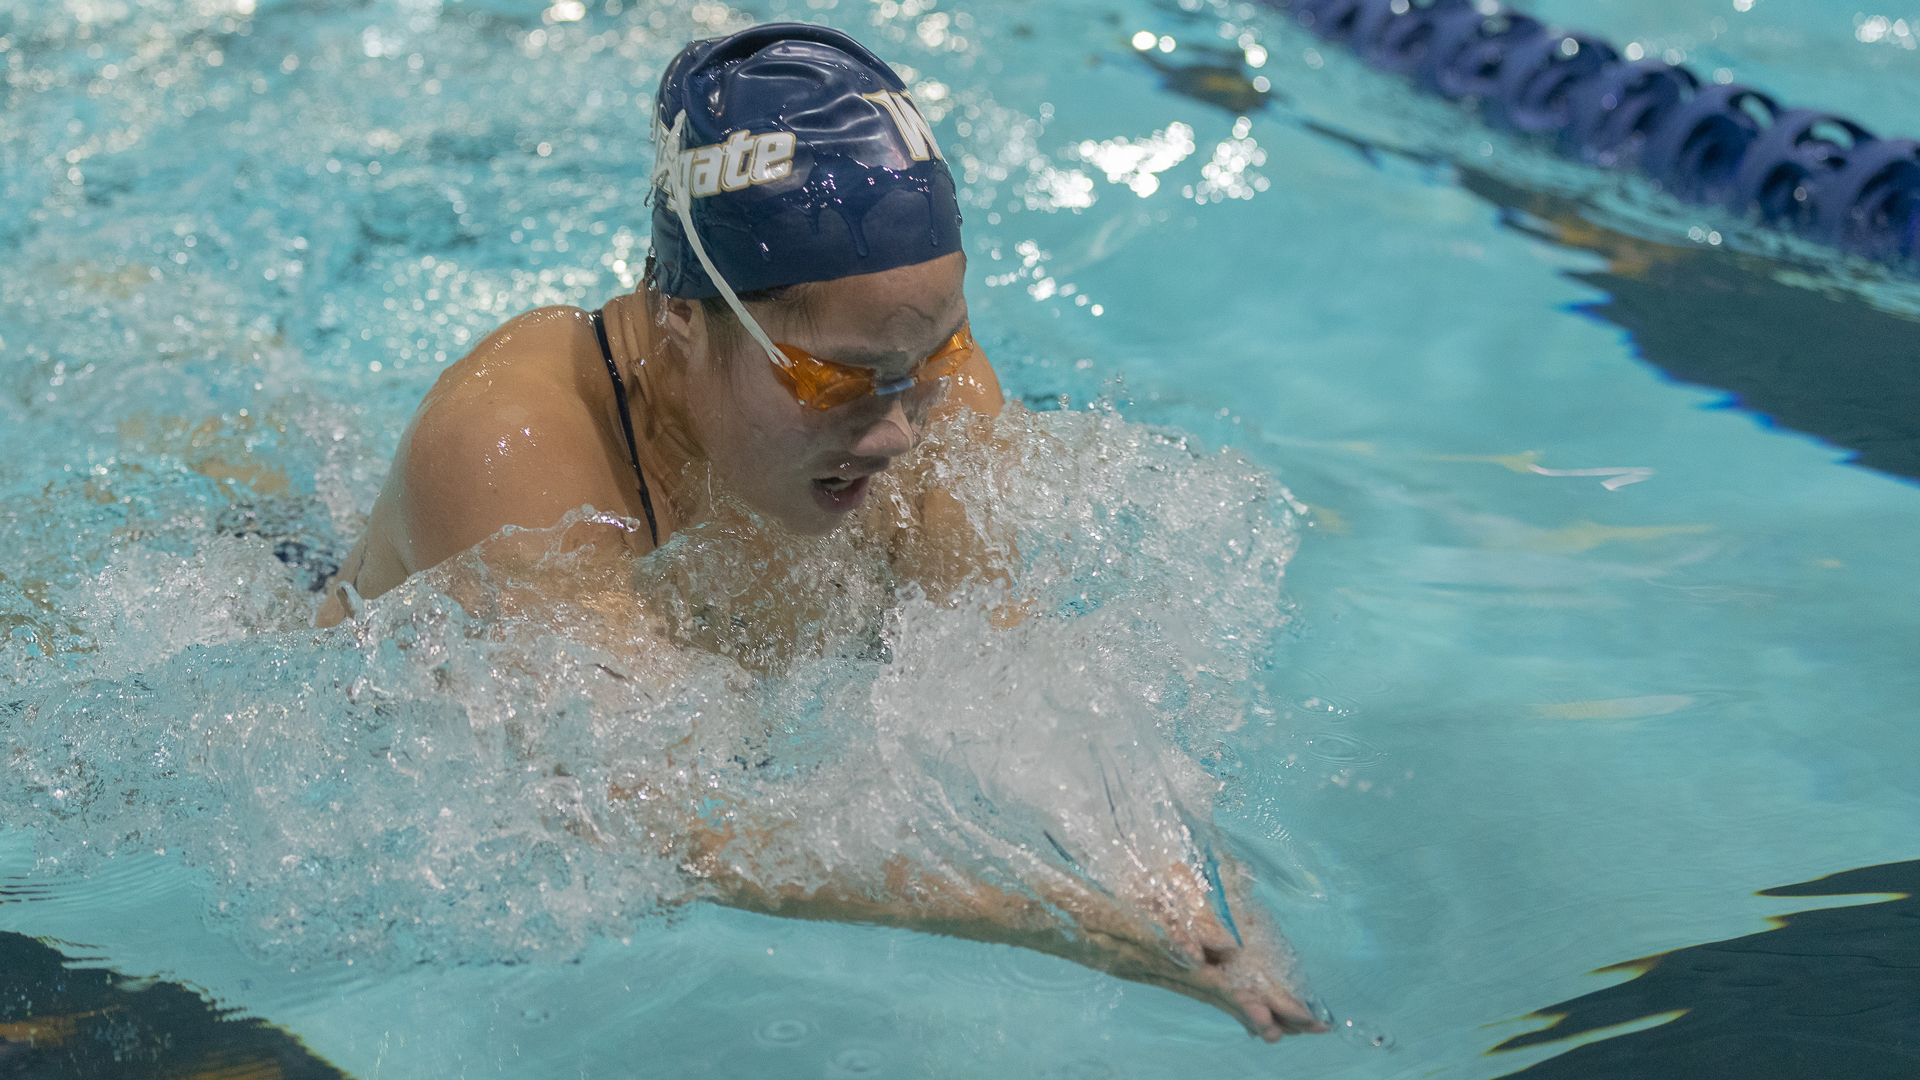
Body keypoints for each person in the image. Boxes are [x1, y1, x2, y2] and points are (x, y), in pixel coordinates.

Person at [316, 23, 1325, 1043]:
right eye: (836, 380)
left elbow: (1018, 688)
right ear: (680, 316)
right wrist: (1065, 921)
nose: (897, 431)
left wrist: (1213, 905)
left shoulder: (931, 398)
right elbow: (653, 813)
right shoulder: (517, 447)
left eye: (939, 352)